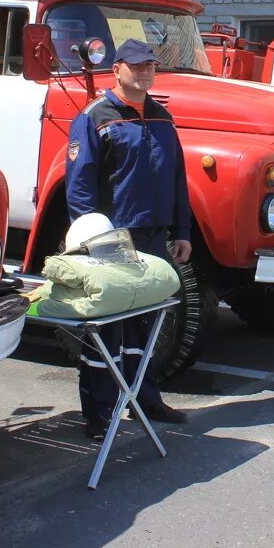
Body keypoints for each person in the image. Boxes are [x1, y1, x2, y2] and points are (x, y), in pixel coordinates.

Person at [65, 38, 191, 439]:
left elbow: (177, 179)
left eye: (150, 65)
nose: (144, 72)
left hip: (154, 238)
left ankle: (145, 400)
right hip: (112, 239)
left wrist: (182, 231)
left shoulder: (161, 117)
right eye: (136, 66)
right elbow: (79, 187)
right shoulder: (95, 117)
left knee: (149, 324)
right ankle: (98, 414)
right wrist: (89, 241)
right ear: (116, 69)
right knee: (107, 329)